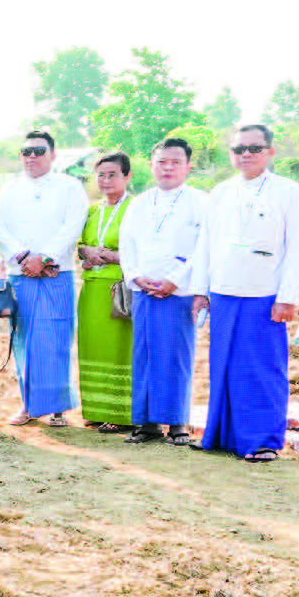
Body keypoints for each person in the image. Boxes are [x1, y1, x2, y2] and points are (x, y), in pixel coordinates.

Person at [190, 124, 299, 464]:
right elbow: (205, 245)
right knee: (223, 366)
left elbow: (298, 247)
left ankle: (263, 440)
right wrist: (200, 291)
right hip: (223, 291)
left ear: (270, 152)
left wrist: (287, 296)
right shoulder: (220, 192)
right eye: (239, 148)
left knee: (261, 368)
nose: (246, 154)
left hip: (265, 295)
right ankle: (220, 436)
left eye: (254, 148)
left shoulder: (289, 192)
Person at [0, 130, 88, 427]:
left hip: (56, 274)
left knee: (56, 339)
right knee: (24, 341)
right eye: (26, 151)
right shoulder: (8, 189)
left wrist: (44, 257)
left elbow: (73, 225)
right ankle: (29, 405)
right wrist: (23, 258)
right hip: (20, 275)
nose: (31, 156)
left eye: (39, 151)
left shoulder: (70, 187)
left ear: (53, 154)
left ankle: (58, 407)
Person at [119, 138, 209, 446]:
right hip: (144, 291)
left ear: (187, 166)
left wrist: (177, 279)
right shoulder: (140, 202)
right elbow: (126, 245)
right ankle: (147, 423)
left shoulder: (201, 202)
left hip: (179, 293)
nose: (168, 167)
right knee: (144, 355)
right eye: (162, 162)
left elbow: (204, 249)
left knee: (175, 357)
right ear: (152, 164)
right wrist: (135, 276)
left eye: (175, 162)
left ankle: (177, 423)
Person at [77, 152, 135, 431]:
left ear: (127, 176)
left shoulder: (135, 209)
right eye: (101, 175)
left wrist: (112, 257)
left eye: (113, 174)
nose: (106, 180)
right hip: (90, 288)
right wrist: (86, 251)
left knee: (119, 349)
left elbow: (144, 251)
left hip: (120, 289)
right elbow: (79, 244)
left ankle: (120, 413)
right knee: (92, 347)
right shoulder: (92, 210)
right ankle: (96, 410)